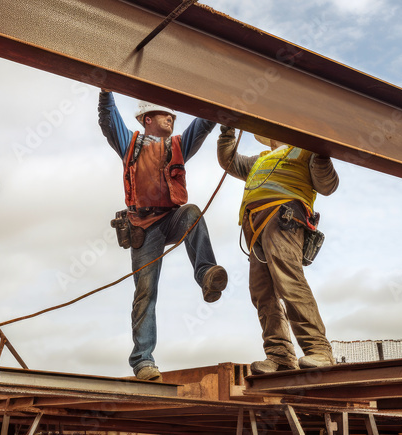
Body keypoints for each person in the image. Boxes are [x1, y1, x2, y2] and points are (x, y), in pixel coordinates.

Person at [99, 90, 226, 381]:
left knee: (192, 212)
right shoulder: (129, 143)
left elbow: (204, 123)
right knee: (146, 292)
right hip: (144, 226)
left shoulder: (178, 145)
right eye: (165, 114)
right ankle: (143, 361)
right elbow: (109, 120)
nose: (171, 117)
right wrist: (105, 90)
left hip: (171, 218)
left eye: (173, 115)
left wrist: (223, 99)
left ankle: (207, 277)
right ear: (148, 119)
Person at [217, 125, 339, 374]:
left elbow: (327, 185)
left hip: (285, 218)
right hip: (255, 228)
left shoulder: (306, 153)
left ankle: (318, 349)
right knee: (262, 292)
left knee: (289, 280)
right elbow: (229, 161)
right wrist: (227, 133)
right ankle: (279, 355)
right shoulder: (259, 160)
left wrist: (322, 154)